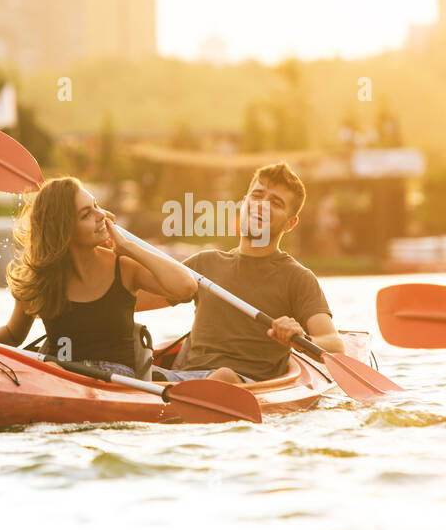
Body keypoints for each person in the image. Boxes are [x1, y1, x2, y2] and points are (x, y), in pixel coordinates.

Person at [0, 177, 241, 383]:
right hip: (59, 376)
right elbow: (13, 335)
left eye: (97, 206)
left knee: (225, 377)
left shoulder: (123, 268)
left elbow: (187, 288)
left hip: (120, 383)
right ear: (64, 229)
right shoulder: (40, 279)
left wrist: (128, 245)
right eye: (87, 214)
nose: (101, 215)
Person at [139, 162, 346, 381]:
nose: (262, 206)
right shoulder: (204, 263)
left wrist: (300, 338)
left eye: (275, 203)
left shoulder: (297, 278)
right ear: (244, 202)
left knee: (224, 376)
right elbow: (133, 300)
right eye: (257, 196)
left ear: (290, 223)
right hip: (183, 378)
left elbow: (335, 344)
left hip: (240, 384)